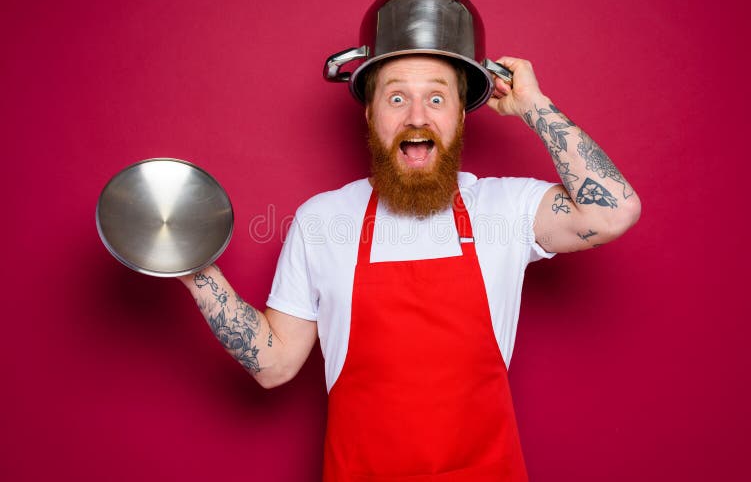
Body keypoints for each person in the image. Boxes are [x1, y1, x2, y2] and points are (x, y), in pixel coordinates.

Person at [179, 53, 640, 480]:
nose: (416, 116)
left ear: (461, 116)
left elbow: (612, 211)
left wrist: (533, 105)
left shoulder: (504, 208)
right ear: (369, 114)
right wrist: (193, 267)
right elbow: (273, 364)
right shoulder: (322, 220)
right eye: (396, 97)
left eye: (436, 98)